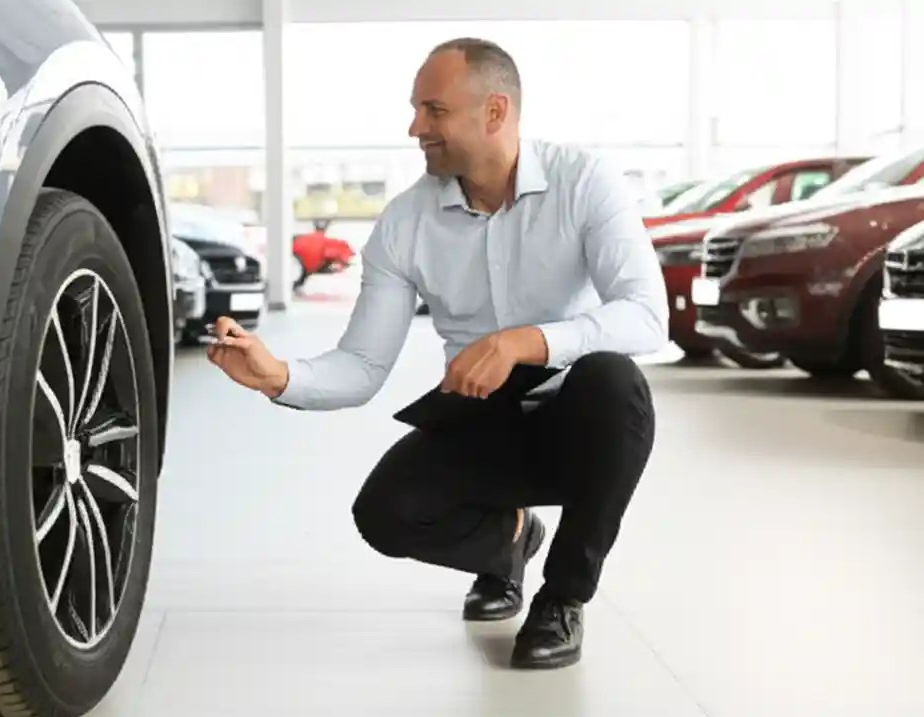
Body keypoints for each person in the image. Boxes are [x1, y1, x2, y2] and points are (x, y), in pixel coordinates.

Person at [206, 37, 667, 670]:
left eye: (434, 110)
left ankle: (562, 598)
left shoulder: (584, 183)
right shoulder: (405, 223)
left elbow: (646, 314)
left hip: (578, 419)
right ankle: (509, 542)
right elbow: (363, 366)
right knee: (385, 514)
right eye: (417, 110)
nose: (415, 127)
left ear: (495, 113)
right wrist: (277, 375)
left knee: (614, 383)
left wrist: (527, 341)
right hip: (483, 420)